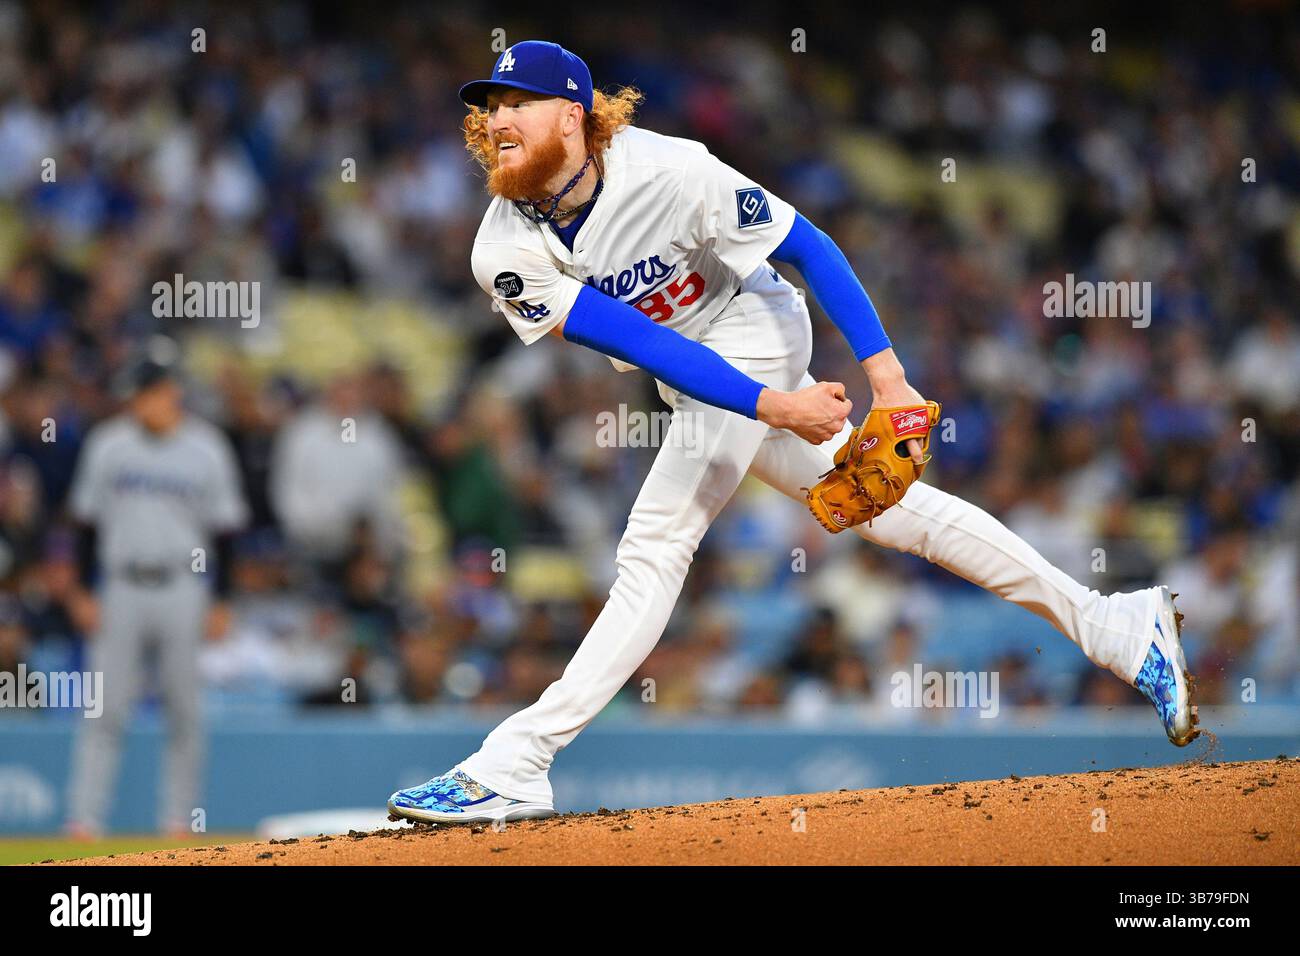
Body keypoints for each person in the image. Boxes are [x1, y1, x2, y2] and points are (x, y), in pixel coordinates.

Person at [387, 41, 1197, 825]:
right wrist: (774, 409)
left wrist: (887, 377)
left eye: (518, 103)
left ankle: (516, 762)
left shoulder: (671, 169)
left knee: (655, 544)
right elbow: (638, 341)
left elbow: (808, 245)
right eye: (490, 106)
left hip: (758, 328)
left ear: (572, 116)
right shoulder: (503, 248)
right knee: (898, 517)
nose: (497, 118)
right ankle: (1118, 627)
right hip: (701, 371)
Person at [65, 336, 249, 836]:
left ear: (169, 390)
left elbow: (226, 533)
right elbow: (85, 524)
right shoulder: (109, 442)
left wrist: (222, 600)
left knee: (184, 711)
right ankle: (84, 819)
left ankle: (179, 822)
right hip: (121, 586)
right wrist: (83, 589)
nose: (137, 401)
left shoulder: (207, 447)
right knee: (105, 709)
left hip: (182, 588)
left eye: (146, 391)